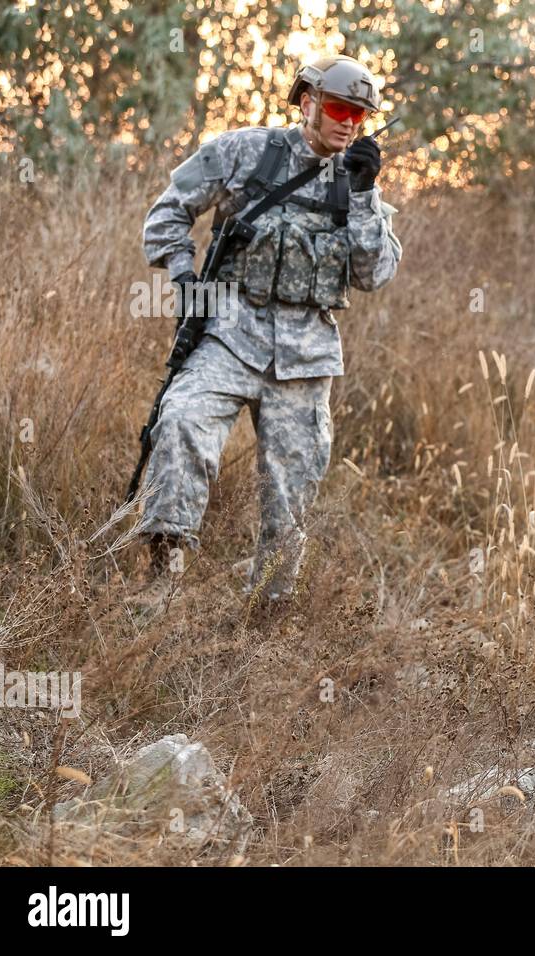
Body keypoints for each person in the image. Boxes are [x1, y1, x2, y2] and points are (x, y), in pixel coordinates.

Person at [137, 54, 402, 599]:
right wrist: (185, 275)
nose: (348, 122)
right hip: (229, 335)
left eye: (359, 115)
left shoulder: (356, 185)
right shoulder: (246, 152)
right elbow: (168, 212)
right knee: (181, 422)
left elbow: (374, 274)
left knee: (290, 496)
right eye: (337, 108)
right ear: (307, 102)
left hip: (306, 358)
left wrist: (364, 195)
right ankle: (161, 580)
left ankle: (268, 622)